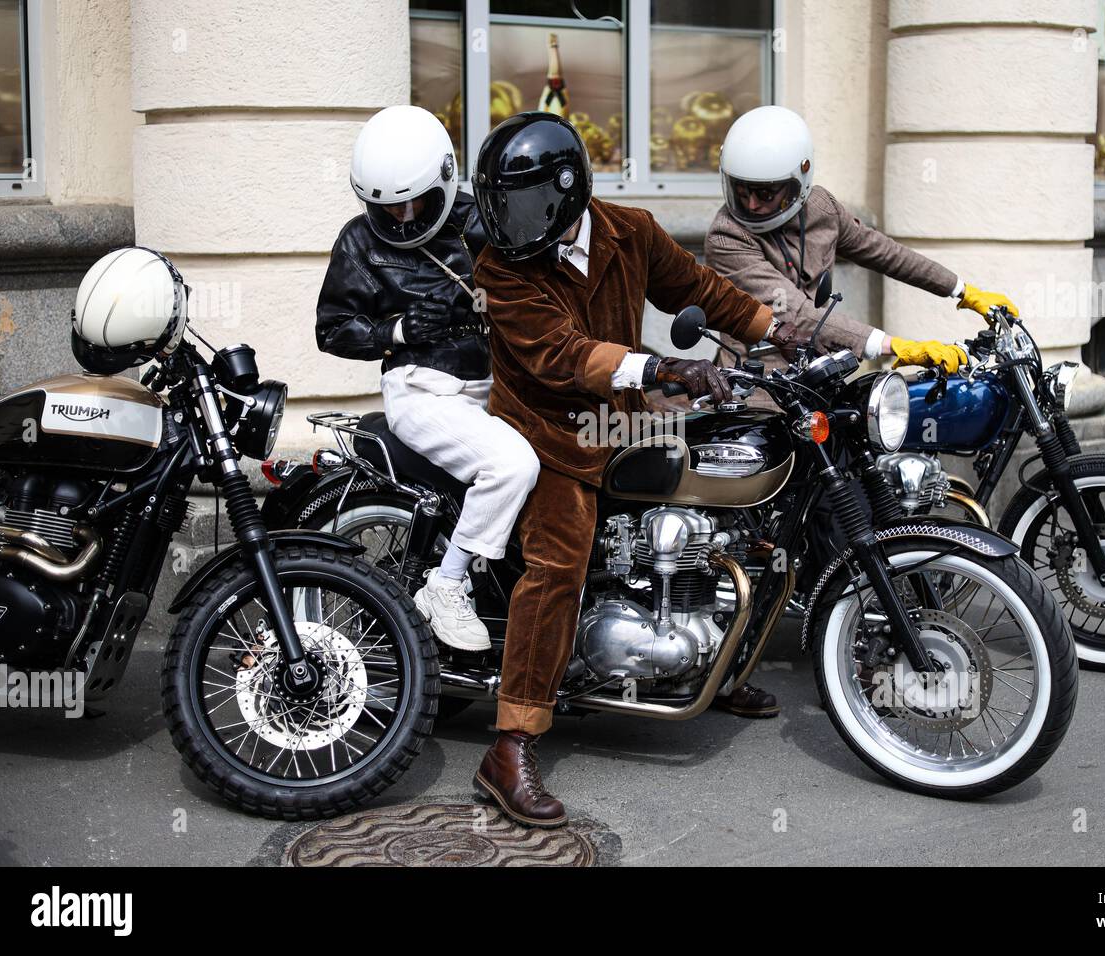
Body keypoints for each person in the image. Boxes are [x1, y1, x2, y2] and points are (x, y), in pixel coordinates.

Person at [468, 112, 800, 828]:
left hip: (619, 415)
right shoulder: (502, 267)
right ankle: (510, 743)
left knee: (723, 487)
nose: (509, 220)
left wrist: (780, 331)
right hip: (545, 429)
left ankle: (713, 665)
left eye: (522, 204)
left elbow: (702, 289)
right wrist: (664, 366)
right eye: (501, 204)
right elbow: (562, 356)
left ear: (569, 191)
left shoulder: (630, 230)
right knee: (559, 559)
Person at [316, 105, 539, 653]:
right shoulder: (359, 242)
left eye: (416, 200)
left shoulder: (486, 222)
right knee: (512, 465)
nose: (404, 216)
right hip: (421, 388)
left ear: (446, 177)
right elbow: (332, 329)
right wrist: (396, 331)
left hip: (495, 385)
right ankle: (445, 583)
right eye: (387, 207)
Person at [706, 105, 1019, 376]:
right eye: (741, 191)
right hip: (757, 377)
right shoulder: (727, 236)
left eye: (765, 193)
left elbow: (884, 252)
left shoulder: (820, 208)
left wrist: (962, 290)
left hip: (819, 369)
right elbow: (797, 313)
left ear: (796, 184)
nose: (751, 205)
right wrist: (894, 345)